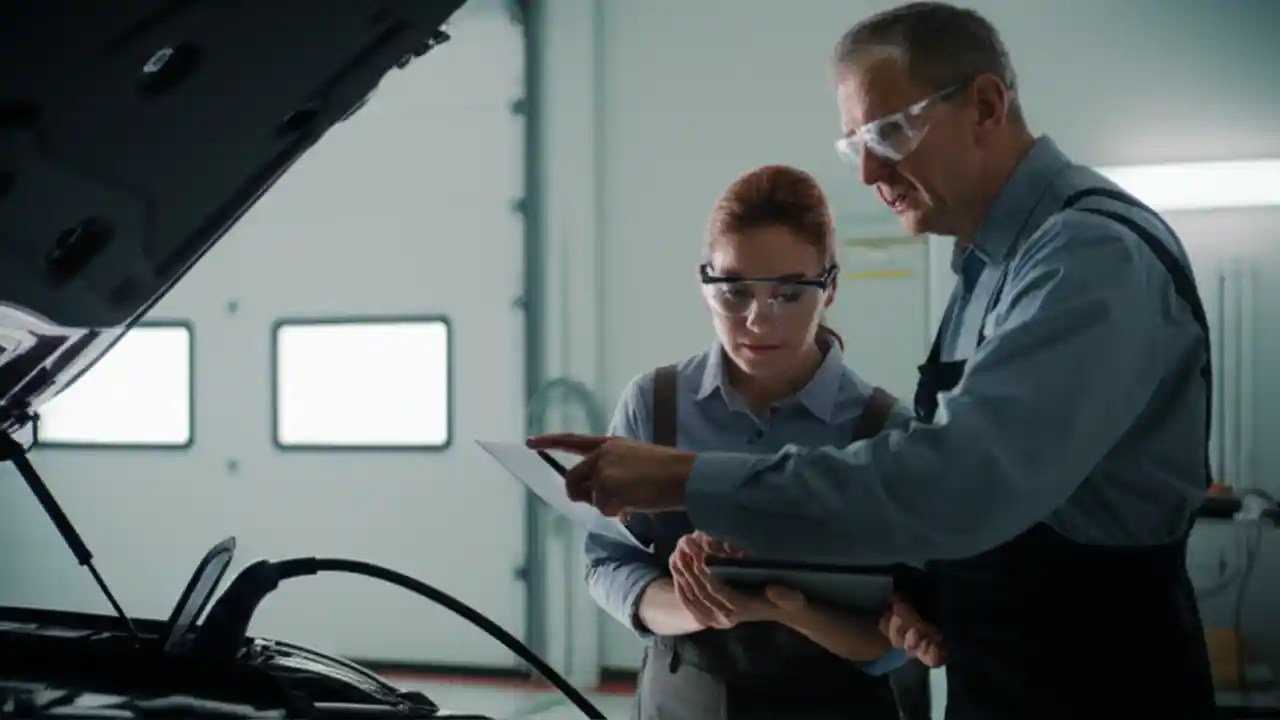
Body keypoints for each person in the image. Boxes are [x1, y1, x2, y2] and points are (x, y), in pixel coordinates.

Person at [532, 3, 1219, 719]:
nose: (866, 170)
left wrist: (682, 476)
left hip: (1100, 684)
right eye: (854, 142)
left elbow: (959, 483)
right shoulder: (994, 268)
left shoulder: (1086, 257)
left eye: (890, 131)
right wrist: (924, 599)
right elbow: (1000, 508)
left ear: (985, 104)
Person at [584, 163, 939, 719]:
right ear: (705, 285)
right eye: (734, 290)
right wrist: (698, 606)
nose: (757, 319)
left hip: (835, 701)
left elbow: (899, 630)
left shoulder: (882, 430)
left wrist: (783, 607)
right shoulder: (654, 405)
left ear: (831, 287)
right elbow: (608, 563)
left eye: (789, 293)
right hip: (686, 697)